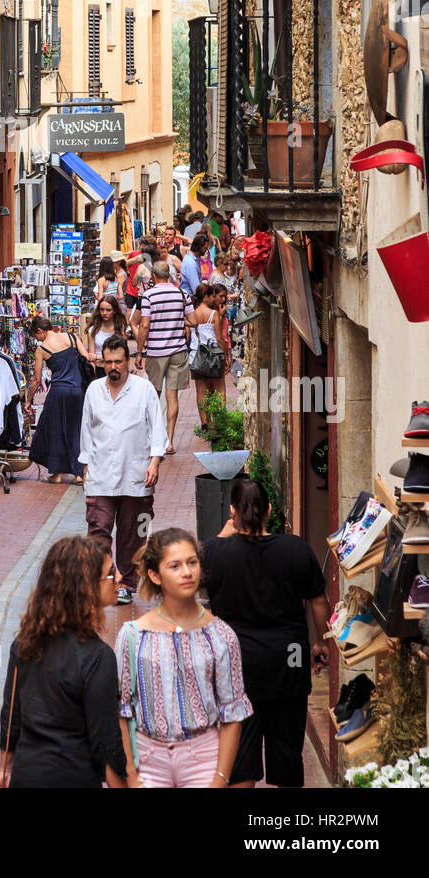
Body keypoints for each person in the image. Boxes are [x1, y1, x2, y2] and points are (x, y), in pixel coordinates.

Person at [203, 479, 330, 789]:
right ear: (270, 510)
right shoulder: (295, 548)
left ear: (232, 512)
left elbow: (204, 556)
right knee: (287, 749)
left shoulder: (215, 553)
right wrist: (320, 641)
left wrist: (224, 532)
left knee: (241, 757)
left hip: (237, 664)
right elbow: (317, 600)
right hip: (290, 658)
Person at [116, 528, 252, 788]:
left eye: (192, 562)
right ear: (155, 575)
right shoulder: (133, 636)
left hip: (203, 758)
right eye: (175, 566)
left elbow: (232, 713)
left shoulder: (221, 635)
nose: (187, 572)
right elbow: (123, 710)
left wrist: (219, 780)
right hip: (148, 760)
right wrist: (132, 777)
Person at [0, 536, 128, 789]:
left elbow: (10, 719)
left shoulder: (23, 644)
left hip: (27, 773)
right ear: (87, 587)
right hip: (74, 776)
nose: (119, 578)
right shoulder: (98, 657)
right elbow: (106, 741)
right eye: (110, 573)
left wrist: (4, 770)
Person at [80, 336, 167, 606]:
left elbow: (157, 428)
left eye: (118, 361)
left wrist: (154, 462)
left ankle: (126, 584)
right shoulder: (94, 390)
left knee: (132, 534)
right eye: (108, 362)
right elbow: (86, 432)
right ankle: (100, 581)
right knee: (99, 530)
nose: (113, 367)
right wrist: (85, 470)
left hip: (137, 474)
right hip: (101, 474)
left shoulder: (144, 390)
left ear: (128, 361)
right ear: (102, 362)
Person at [132, 261, 199, 456]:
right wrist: (179, 318)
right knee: (172, 397)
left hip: (155, 352)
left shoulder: (148, 295)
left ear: (153, 276)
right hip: (178, 351)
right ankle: (170, 441)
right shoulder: (182, 294)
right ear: (169, 275)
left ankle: (155, 440)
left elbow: (144, 325)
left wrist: (138, 351)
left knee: (154, 396)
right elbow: (194, 321)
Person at [26, 316, 85, 484]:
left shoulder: (42, 349)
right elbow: (86, 357)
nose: (36, 340)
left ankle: (57, 474)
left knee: (56, 431)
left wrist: (28, 400)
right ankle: (79, 473)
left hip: (58, 393)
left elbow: (36, 380)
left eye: (35, 336)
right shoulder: (72, 338)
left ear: (40, 331)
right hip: (77, 390)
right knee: (76, 431)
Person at [190, 281, 230, 425]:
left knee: (201, 391)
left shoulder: (192, 314)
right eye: (212, 296)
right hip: (213, 355)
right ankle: (219, 421)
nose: (214, 299)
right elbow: (219, 338)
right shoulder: (213, 314)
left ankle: (205, 423)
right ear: (206, 297)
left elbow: (188, 335)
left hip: (196, 356)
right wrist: (225, 355)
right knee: (219, 388)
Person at [86, 295, 128, 372]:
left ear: (114, 311)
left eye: (108, 310)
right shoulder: (93, 329)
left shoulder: (121, 329)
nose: (104, 313)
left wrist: (97, 357)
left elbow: (121, 355)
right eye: (102, 310)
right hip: (98, 369)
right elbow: (91, 356)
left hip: (115, 370)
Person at [179, 234, 208, 301]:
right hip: (189, 299)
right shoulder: (190, 263)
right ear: (199, 247)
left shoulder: (193, 259)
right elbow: (196, 288)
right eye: (205, 248)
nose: (206, 250)